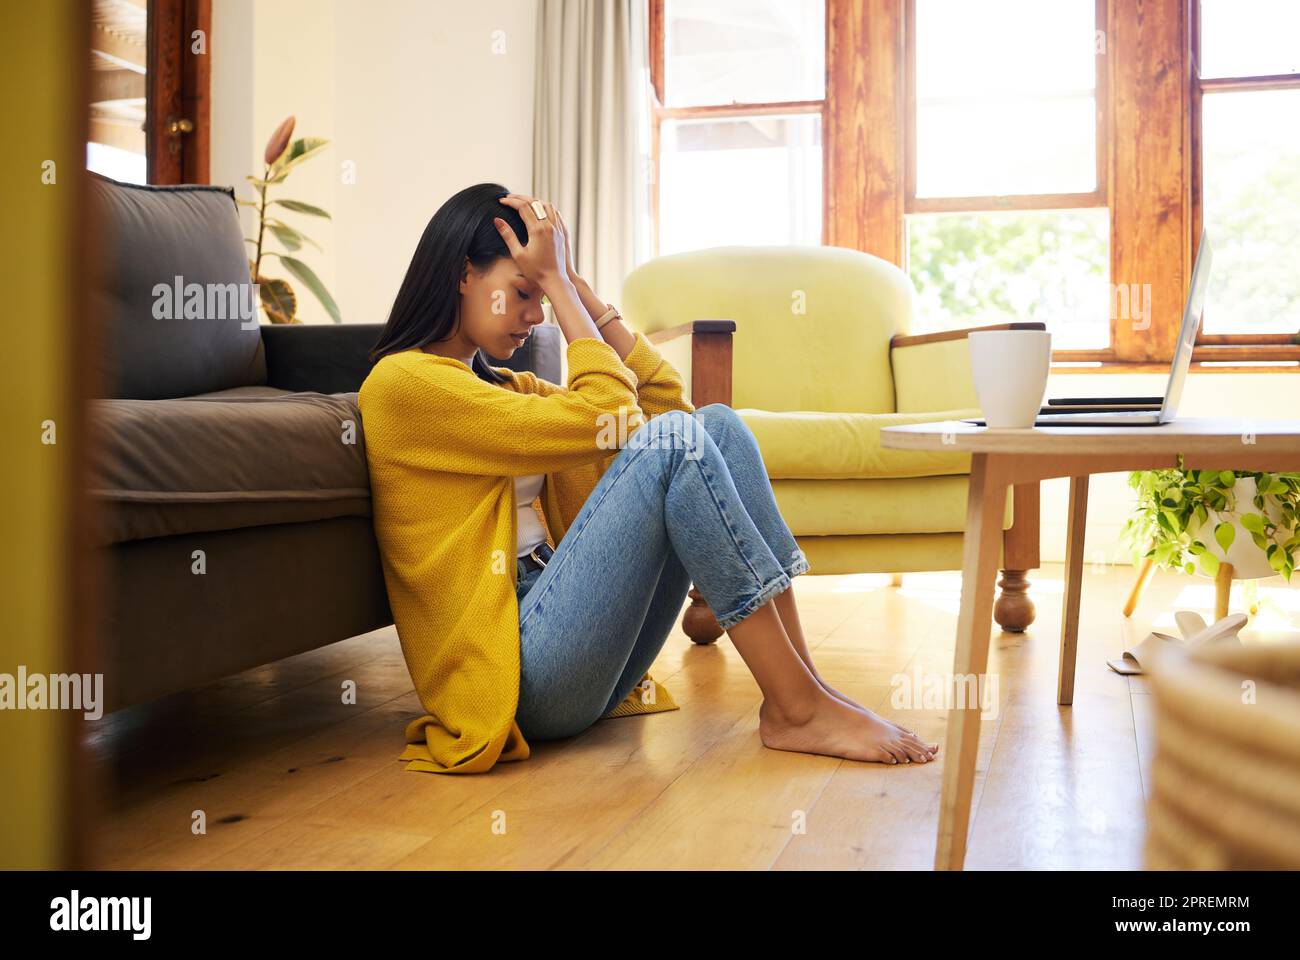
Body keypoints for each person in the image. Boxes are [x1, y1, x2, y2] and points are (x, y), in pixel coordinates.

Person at [358, 182, 938, 774]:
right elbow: (607, 416)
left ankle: (804, 690)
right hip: (513, 675)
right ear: (463, 275)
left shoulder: (511, 390)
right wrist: (560, 289)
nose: (537, 317)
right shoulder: (403, 386)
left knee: (719, 427)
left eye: (543, 296)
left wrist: (583, 294)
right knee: (679, 443)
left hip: (582, 645)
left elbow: (672, 411)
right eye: (524, 293)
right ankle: (798, 708)